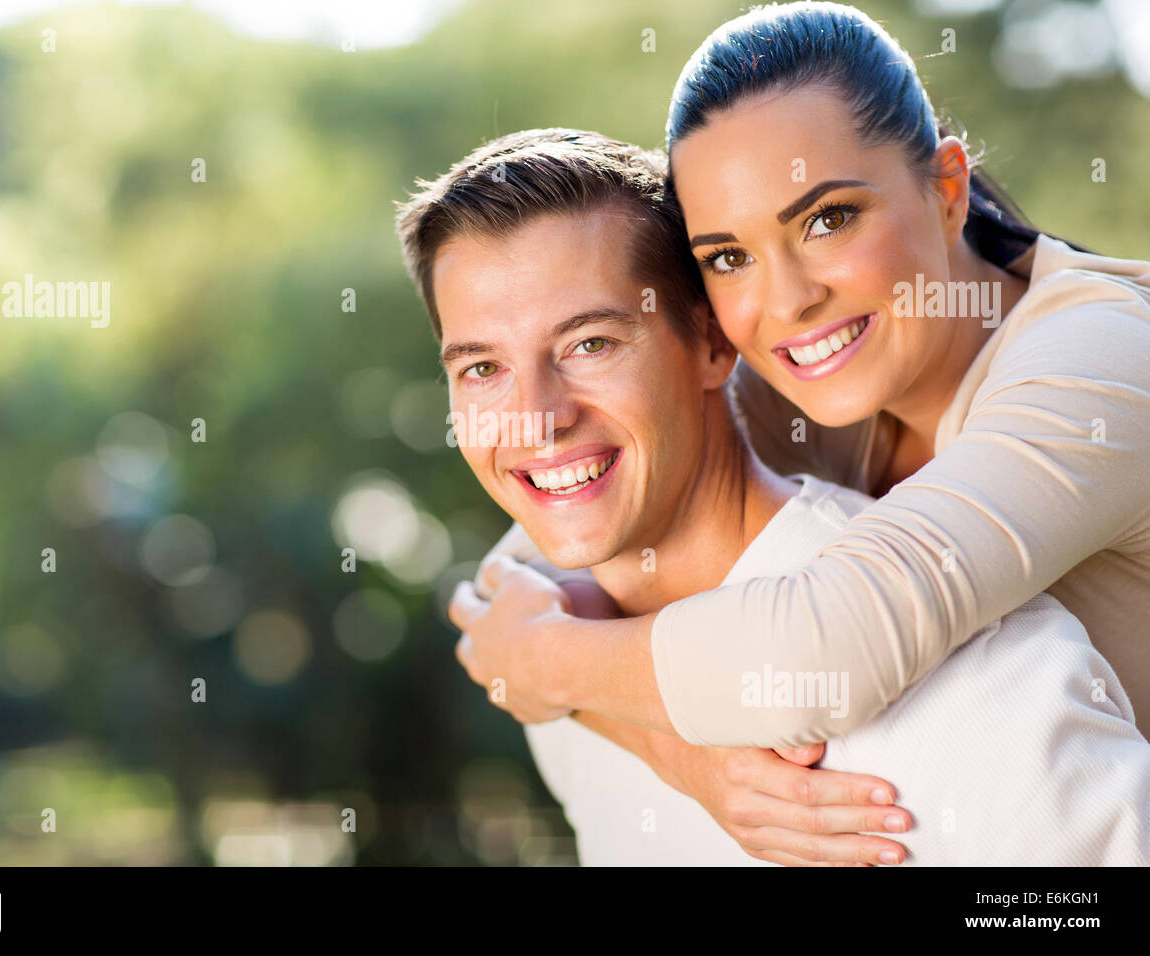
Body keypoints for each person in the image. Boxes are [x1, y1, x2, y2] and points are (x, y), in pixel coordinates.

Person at [448, 1, 1150, 864]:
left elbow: (827, 642)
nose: (786, 301)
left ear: (947, 189)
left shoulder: (1105, 359)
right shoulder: (806, 373)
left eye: (827, 219)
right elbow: (539, 548)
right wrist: (687, 759)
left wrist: (552, 665)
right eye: (728, 257)